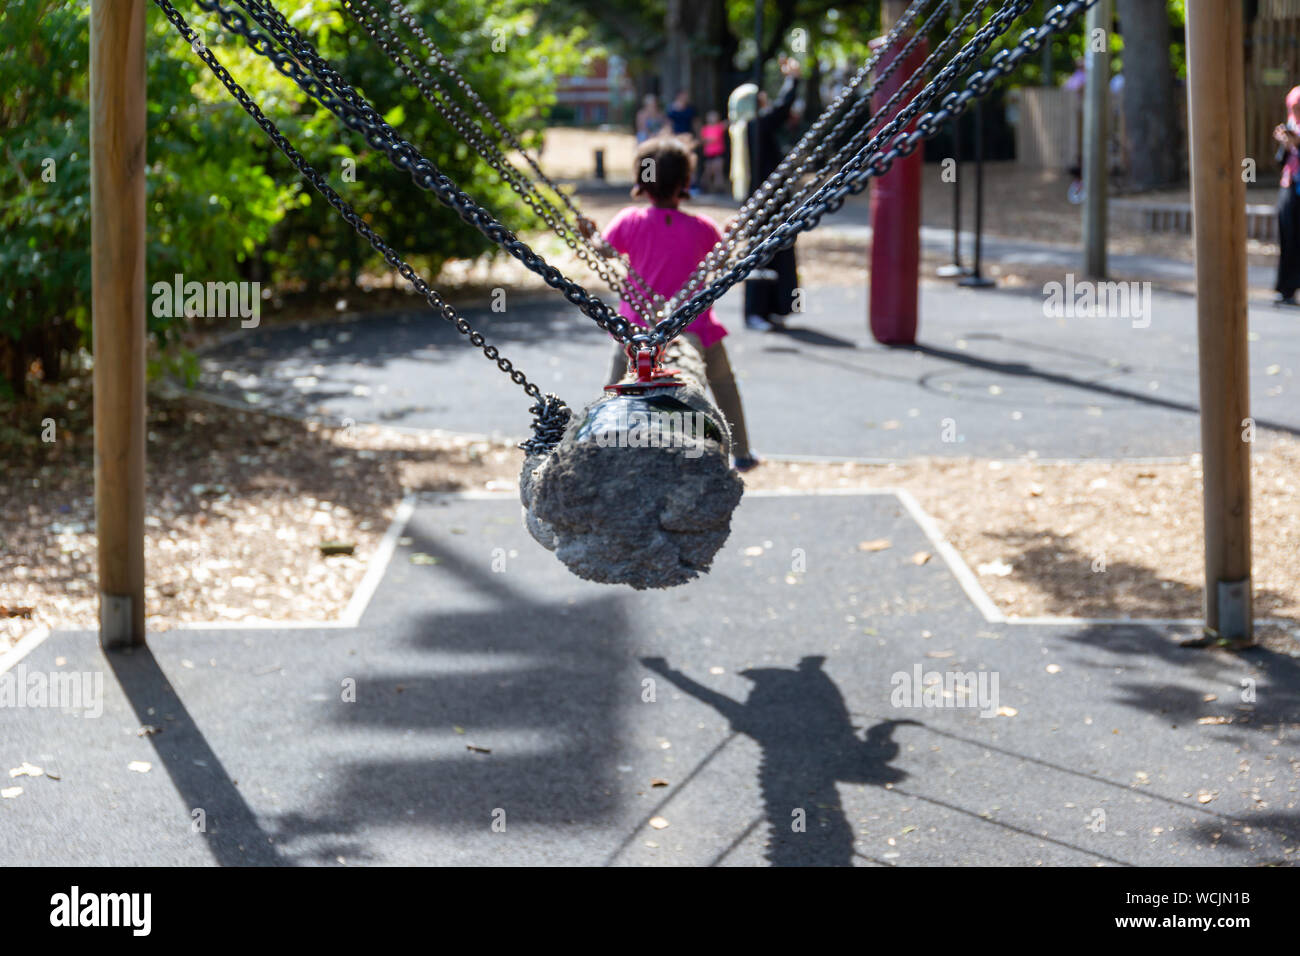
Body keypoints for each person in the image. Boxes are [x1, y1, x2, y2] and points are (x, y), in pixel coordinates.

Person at [578, 137, 760, 471]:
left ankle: (592, 438)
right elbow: (718, 262)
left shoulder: (629, 221)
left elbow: (604, 251)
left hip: (635, 332)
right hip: (695, 328)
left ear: (641, 182)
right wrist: (732, 237)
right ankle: (743, 452)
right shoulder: (701, 227)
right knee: (723, 385)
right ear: (685, 182)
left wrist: (588, 235)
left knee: (615, 387)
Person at [729, 57, 803, 331]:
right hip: (766, 203)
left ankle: (771, 306)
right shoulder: (755, 127)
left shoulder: (745, 128)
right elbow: (782, 109)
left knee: (774, 253)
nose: (764, 101)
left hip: (768, 200)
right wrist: (793, 79)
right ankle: (756, 310)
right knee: (762, 254)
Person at [1274, 86, 1300, 306]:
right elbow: (1280, 161)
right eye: (1295, 108)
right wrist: (1286, 145)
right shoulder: (1291, 127)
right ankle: (1286, 289)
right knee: (1288, 238)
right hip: (1290, 188)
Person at [698, 110, 729, 195]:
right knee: (708, 171)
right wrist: (709, 140)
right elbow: (703, 140)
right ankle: (704, 187)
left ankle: (719, 188)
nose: (712, 118)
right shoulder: (705, 129)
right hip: (709, 154)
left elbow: (727, 123)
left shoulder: (719, 127)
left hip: (718, 153)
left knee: (718, 170)